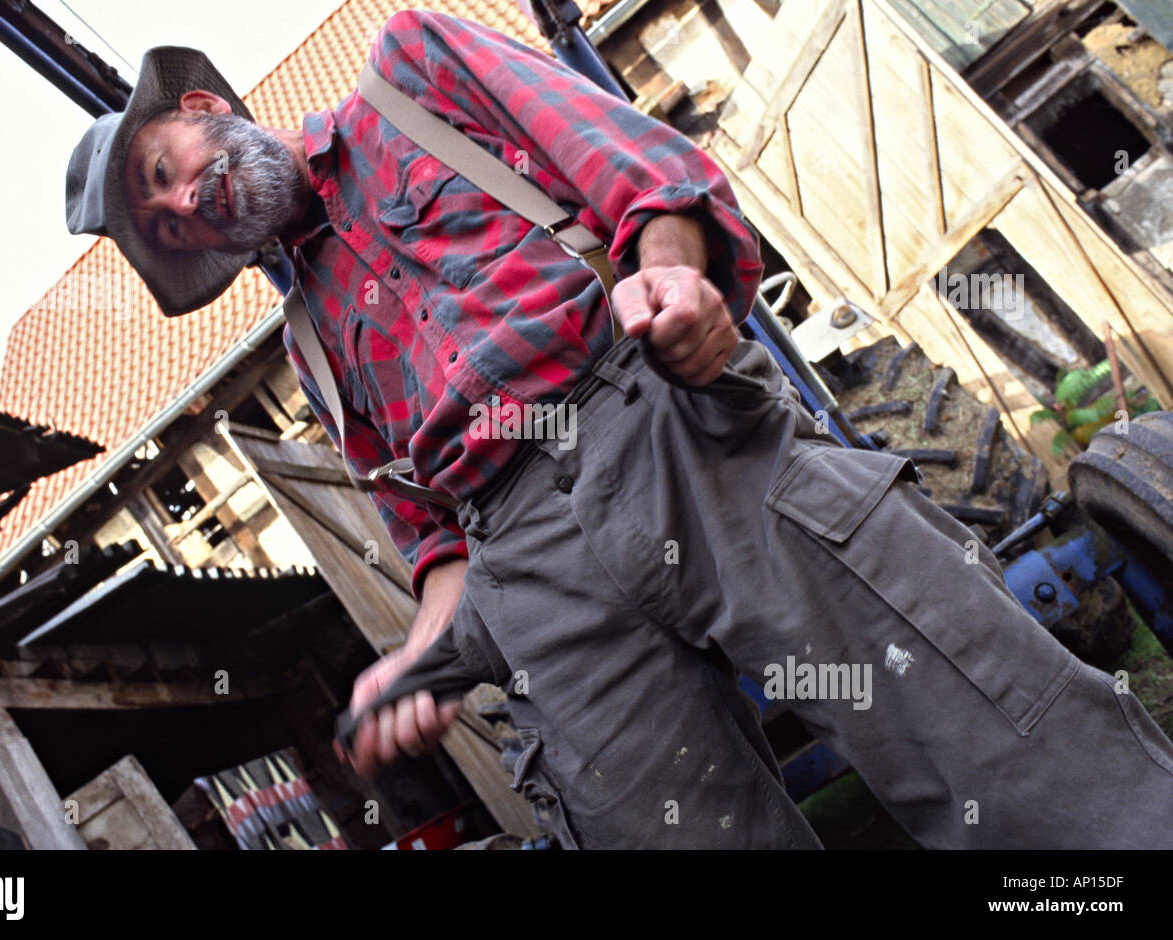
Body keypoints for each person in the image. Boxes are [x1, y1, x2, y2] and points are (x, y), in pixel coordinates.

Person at [65, 10, 1173, 848]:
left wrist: (675, 280)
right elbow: (431, 535)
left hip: (660, 426)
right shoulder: (305, 339)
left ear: (204, 107)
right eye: (163, 223)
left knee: (998, 739)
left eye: (164, 171)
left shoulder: (409, 69)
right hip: (526, 567)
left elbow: (641, 175)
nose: (183, 202)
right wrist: (422, 653)